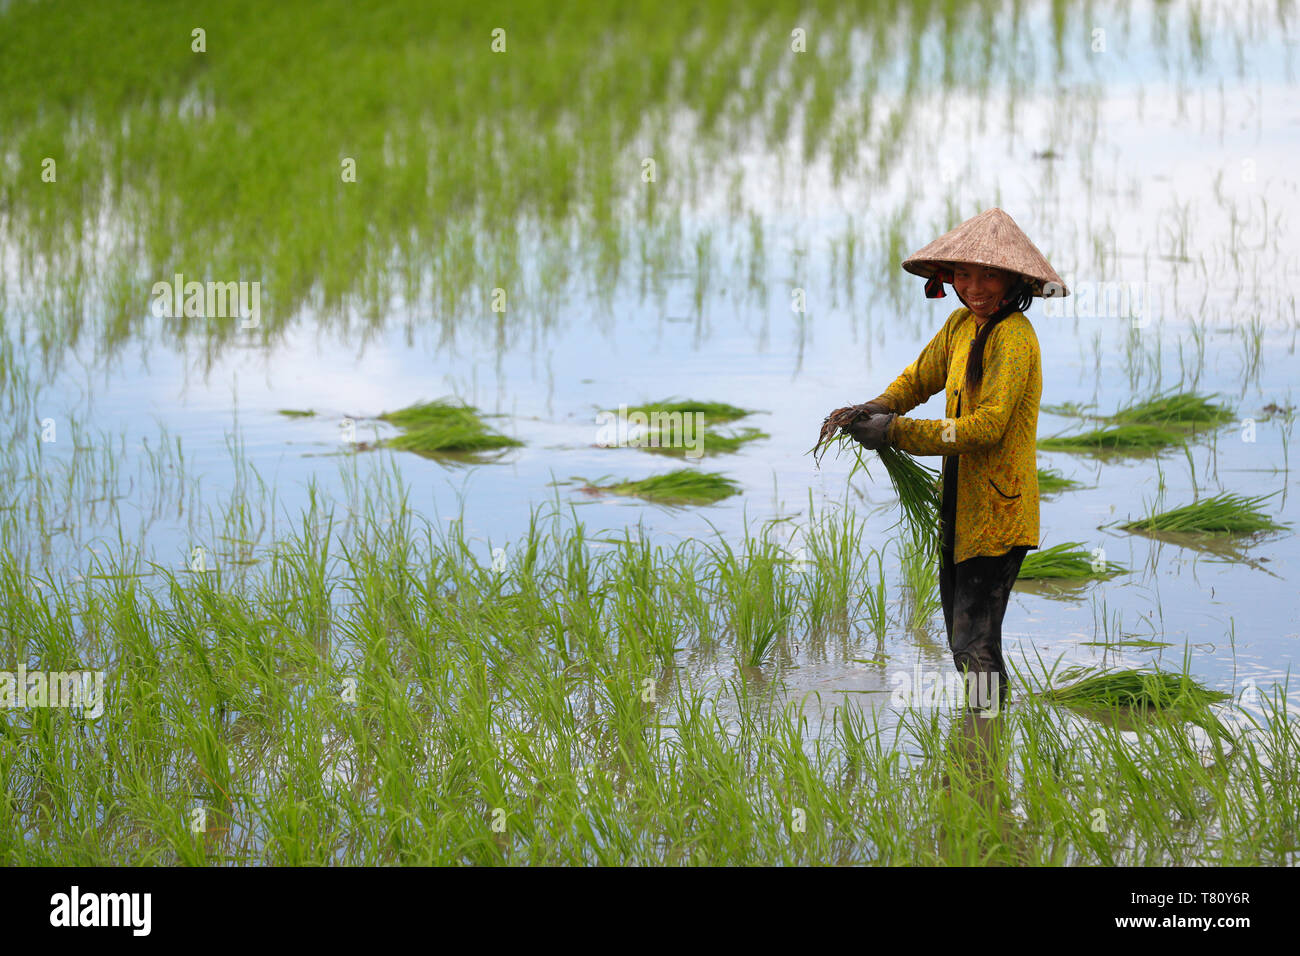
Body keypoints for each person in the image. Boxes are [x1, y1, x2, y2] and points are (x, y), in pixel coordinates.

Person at [832, 207, 1069, 708]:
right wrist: (876, 407)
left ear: (1012, 280)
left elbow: (985, 429)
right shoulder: (962, 326)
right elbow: (918, 378)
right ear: (949, 277)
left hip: (999, 513)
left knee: (974, 642)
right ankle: (986, 739)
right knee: (965, 643)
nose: (975, 286)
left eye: (989, 275)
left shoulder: (1015, 339)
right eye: (964, 273)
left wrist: (894, 432)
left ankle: (985, 741)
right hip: (959, 508)